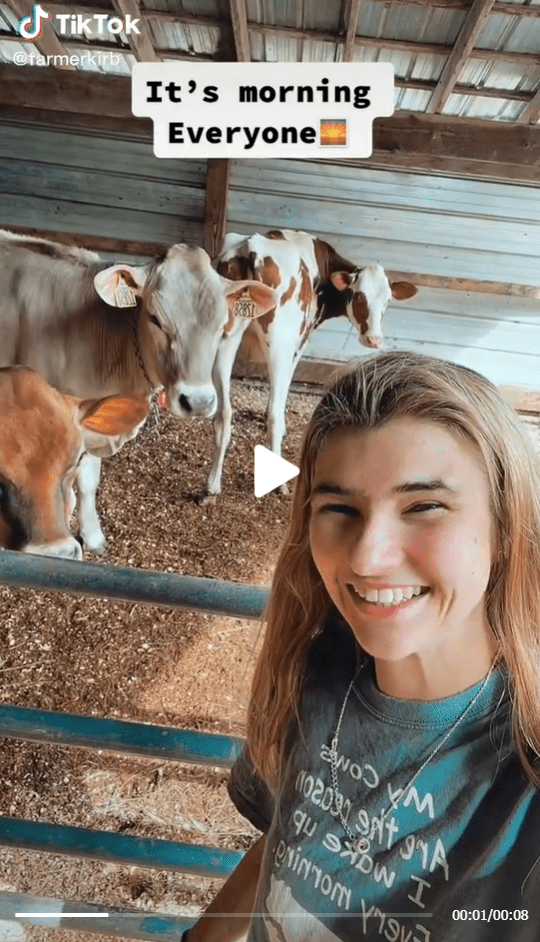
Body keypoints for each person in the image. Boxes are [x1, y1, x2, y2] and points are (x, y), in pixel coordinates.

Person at [184, 350, 540, 942]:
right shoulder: (315, 666)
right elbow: (285, 833)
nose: (366, 557)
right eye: (339, 508)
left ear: (506, 527)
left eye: (423, 506)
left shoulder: (523, 779)